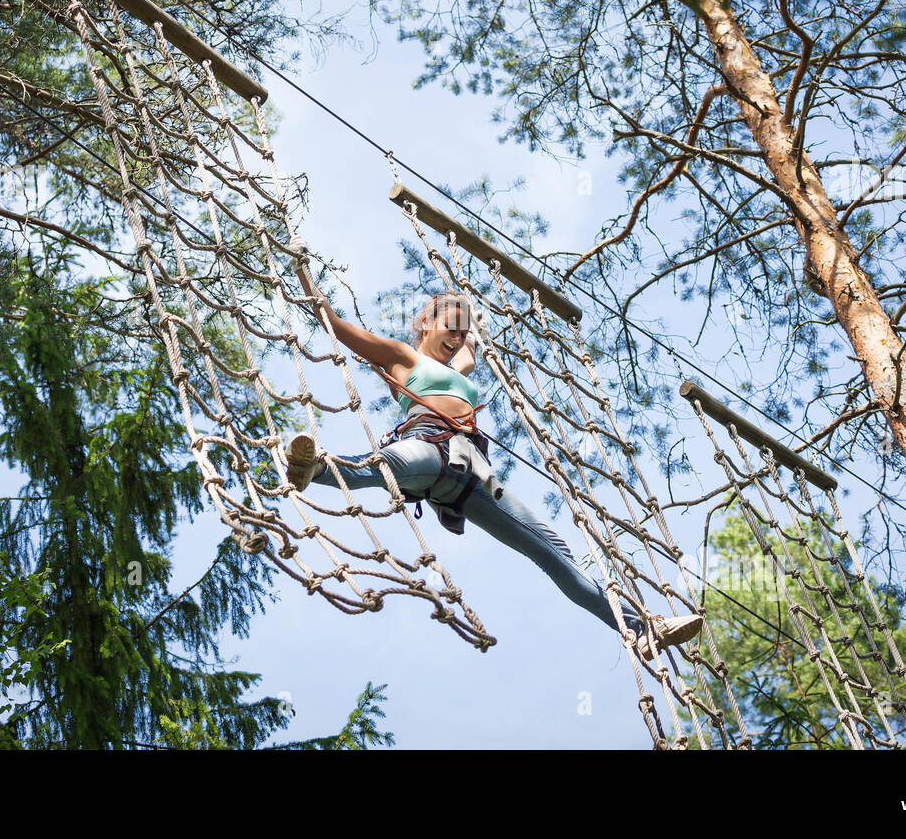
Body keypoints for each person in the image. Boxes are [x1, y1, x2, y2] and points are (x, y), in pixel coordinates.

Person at [285, 242, 702, 658]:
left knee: (552, 548)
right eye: (450, 327)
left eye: (461, 333)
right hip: (428, 445)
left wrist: (474, 324)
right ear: (427, 322)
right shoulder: (403, 358)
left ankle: (641, 627)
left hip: (474, 474)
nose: (456, 337)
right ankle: (314, 469)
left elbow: (468, 353)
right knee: (389, 464)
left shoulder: (457, 369)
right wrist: (302, 270)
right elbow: (336, 325)